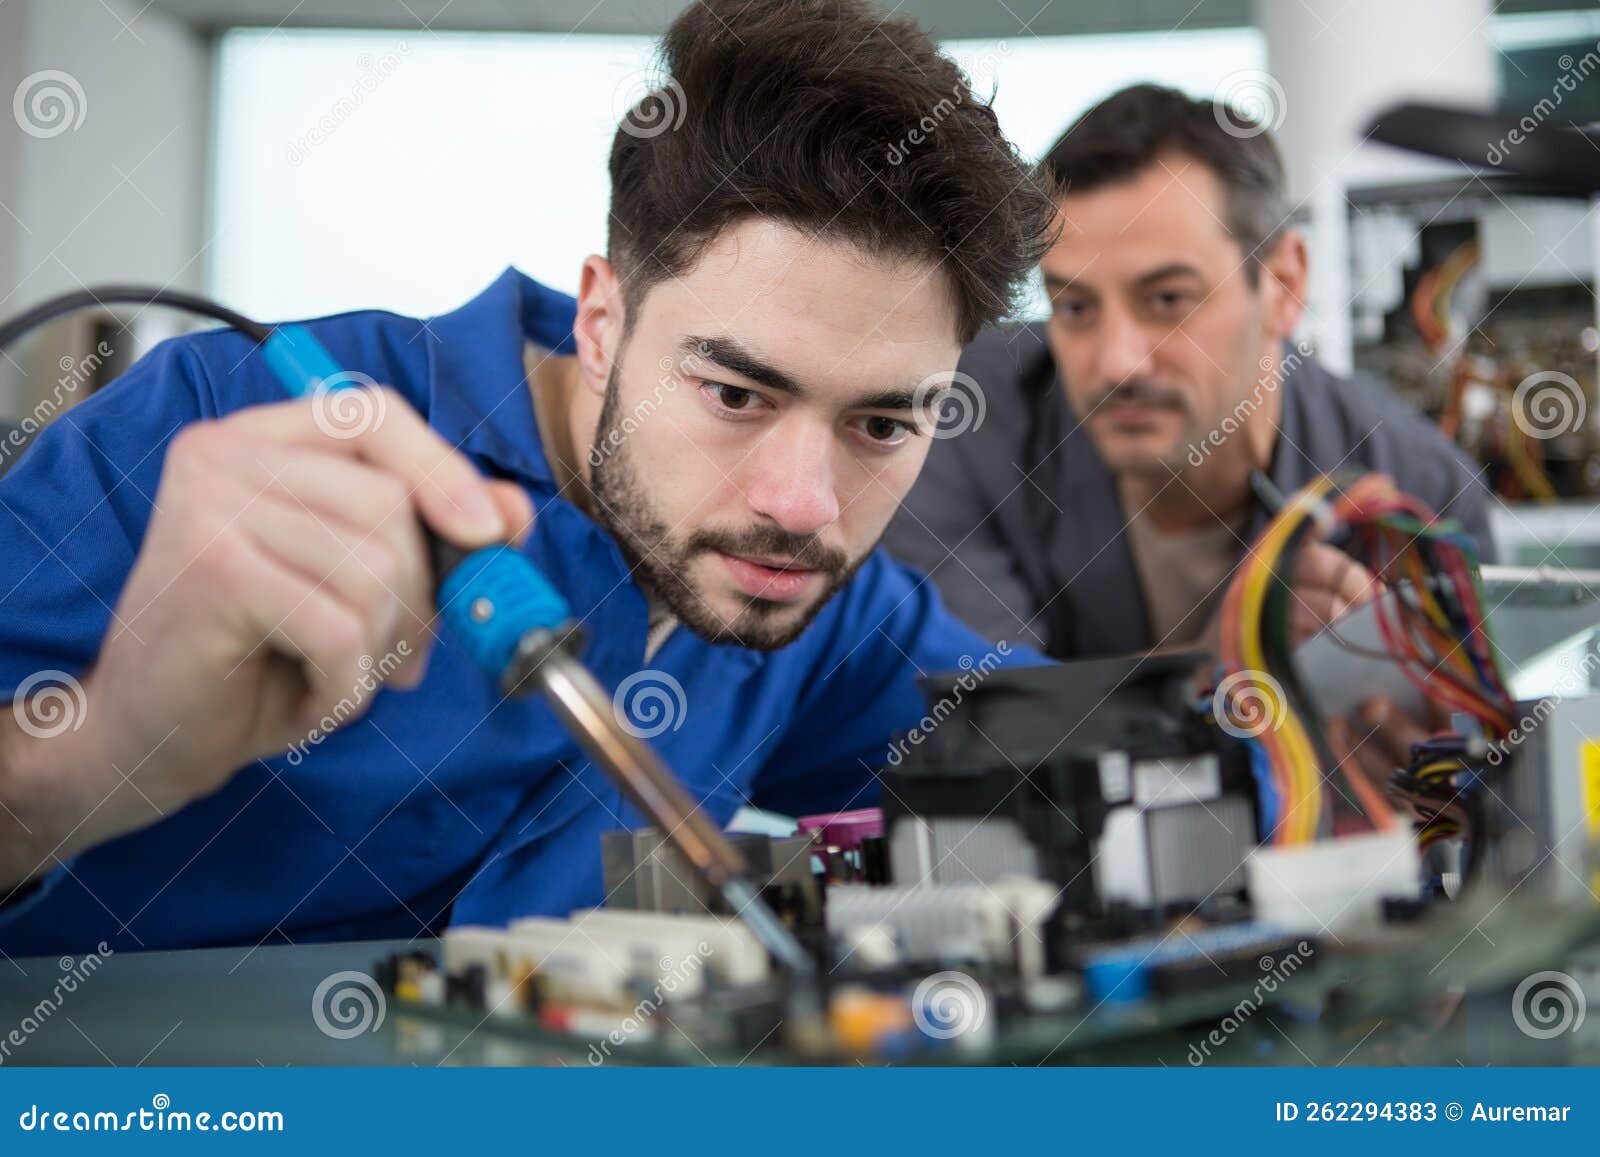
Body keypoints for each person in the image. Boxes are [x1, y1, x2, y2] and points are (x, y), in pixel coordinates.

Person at [0, 0, 1055, 953]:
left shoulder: (820, 607)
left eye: (879, 421)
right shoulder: (220, 428)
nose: (799, 503)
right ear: (601, 320)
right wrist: (95, 751)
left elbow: (1080, 767)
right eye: (737, 395)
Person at [885, 83, 1496, 660]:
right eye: (1074, 306)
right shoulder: (959, 420)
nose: (1119, 362)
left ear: (1284, 285)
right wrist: (1227, 664)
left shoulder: (1423, 494)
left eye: (1169, 300)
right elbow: (983, 728)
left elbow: (1456, 754)